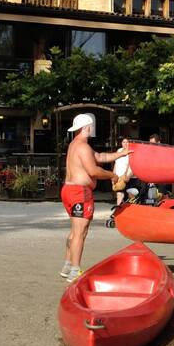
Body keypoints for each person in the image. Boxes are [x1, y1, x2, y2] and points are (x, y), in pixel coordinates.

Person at [60, 113, 127, 282]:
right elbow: (93, 171)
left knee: (75, 231)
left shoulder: (75, 145)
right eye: (91, 127)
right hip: (79, 192)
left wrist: (122, 154)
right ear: (87, 127)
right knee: (80, 232)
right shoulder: (83, 147)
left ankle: (68, 265)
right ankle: (75, 270)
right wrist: (112, 175)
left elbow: (100, 157)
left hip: (69, 190)